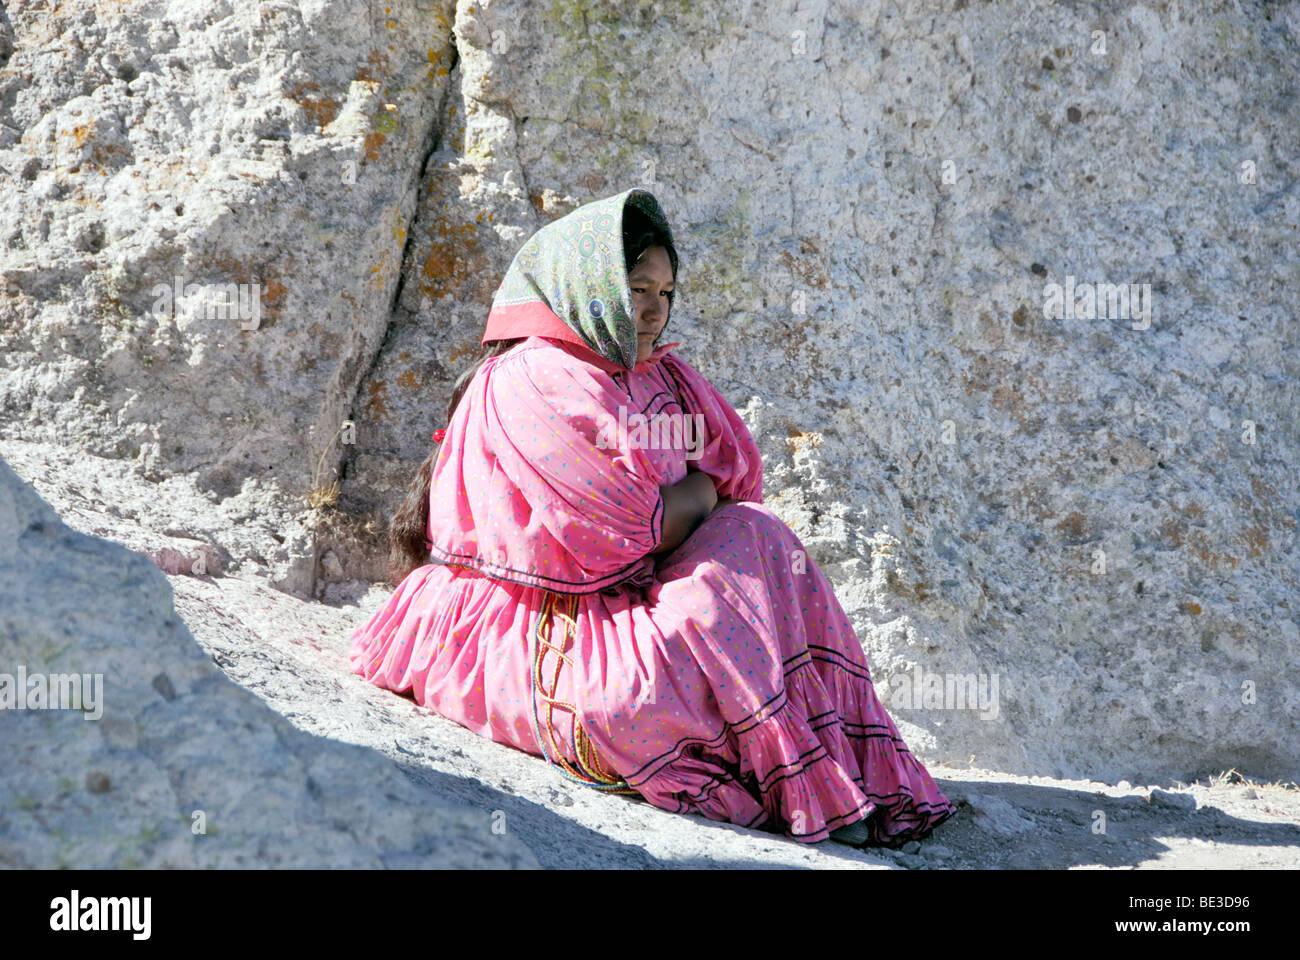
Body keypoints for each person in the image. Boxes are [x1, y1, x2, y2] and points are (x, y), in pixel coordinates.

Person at [349, 188, 955, 847]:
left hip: (636, 602)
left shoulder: (651, 373)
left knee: (762, 541)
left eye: (665, 293)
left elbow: (737, 478)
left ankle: (822, 772)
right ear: (590, 282)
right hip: (554, 628)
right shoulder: (533, 376)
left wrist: (695, 504)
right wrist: (696, 499)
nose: (652, 310)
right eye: (637, 286)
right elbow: (629, 533)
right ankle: (795, 780)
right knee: (717, 583)